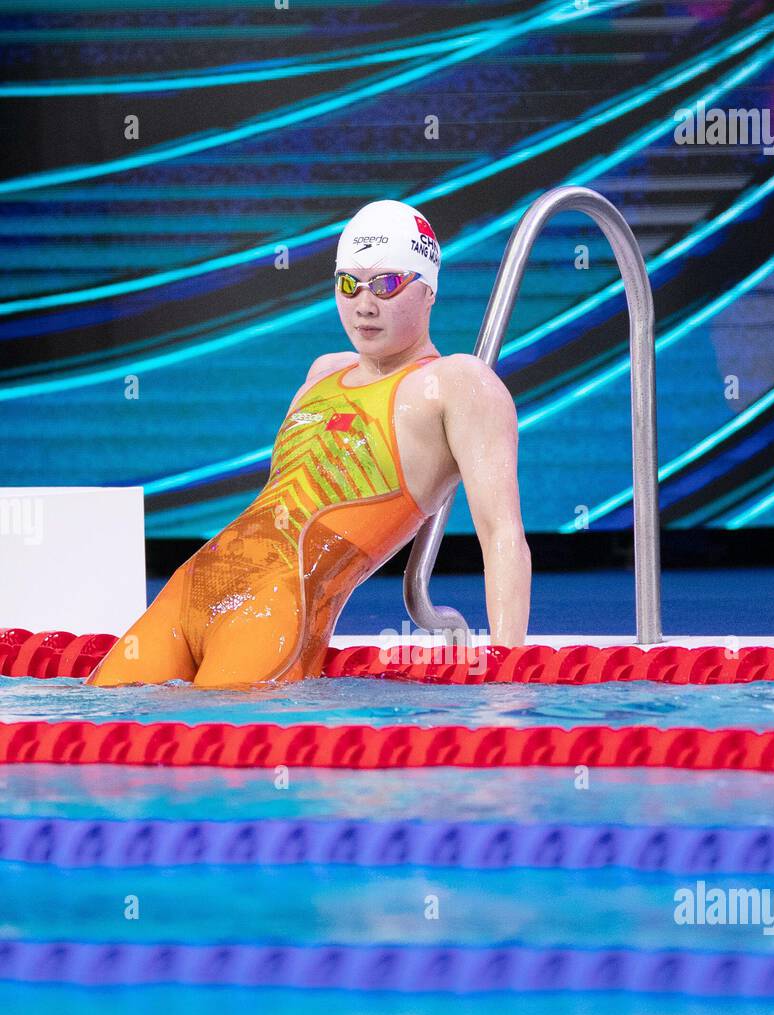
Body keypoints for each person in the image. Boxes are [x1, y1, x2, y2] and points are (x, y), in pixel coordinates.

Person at [87, 199, 531, 689]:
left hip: (276, 612)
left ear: (429, 290)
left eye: (387, 284)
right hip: (188, 588)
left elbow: (502, 533)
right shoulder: (323, 372)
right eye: (349, 284)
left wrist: (507, 676)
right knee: (96, 720)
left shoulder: (457, 384)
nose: (364, 305)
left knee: (210, 732)